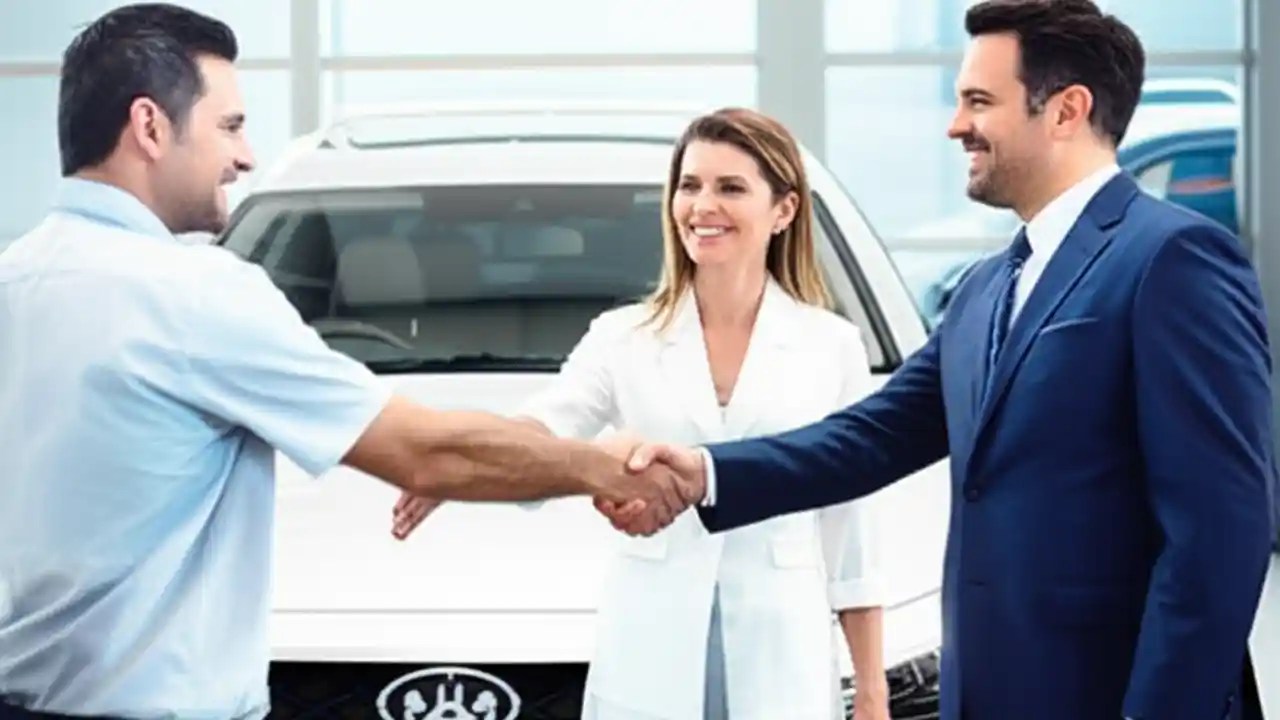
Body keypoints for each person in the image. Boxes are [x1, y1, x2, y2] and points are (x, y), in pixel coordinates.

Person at [0, 5, 696, 719]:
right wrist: (608, 465)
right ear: (150, 127)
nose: (244, 156)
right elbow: (423, 455)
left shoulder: (13, 283)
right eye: (230, 126)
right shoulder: (194, 295)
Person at [602, 2, 1275, 719]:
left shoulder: (1173, 259)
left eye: (979, 101)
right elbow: (869, 438)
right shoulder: (988, 286)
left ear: (1067, 110)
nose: (956, 125)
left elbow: (1221, 531)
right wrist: (702, 472)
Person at [391, 108, 893, 720]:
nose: (702, 205)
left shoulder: (830, 346)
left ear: (783, 211)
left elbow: (851, 528)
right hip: (653, 647)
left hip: (780, 655)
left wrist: (870, 690)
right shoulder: (622, 337)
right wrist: (452, 462)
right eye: (690, 185)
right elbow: (545, 429)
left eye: (730, 187)